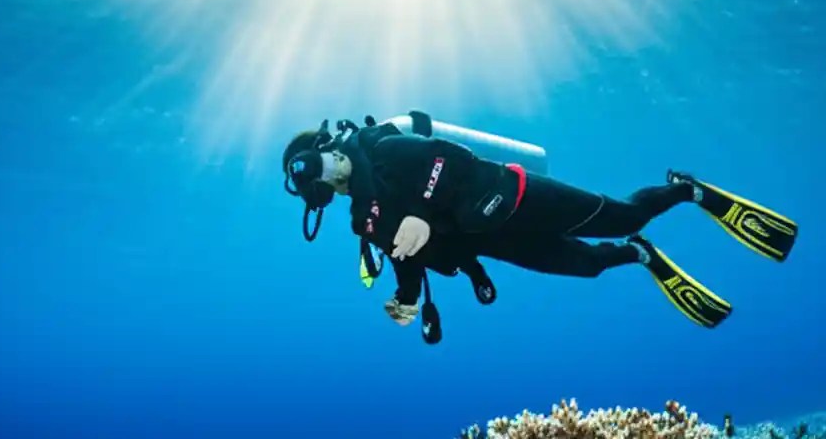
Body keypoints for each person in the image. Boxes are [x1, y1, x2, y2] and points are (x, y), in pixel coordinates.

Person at [281, 113, 798, 343]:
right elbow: (406, 257)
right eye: (313, 188)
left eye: (313, 170)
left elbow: (447, 157)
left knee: (624, 213)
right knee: (587, 266)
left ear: (323, 153)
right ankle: (639, 254)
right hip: (501, 241)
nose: (322, 185)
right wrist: (407, 298)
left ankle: (686, 190)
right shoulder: (363, 218)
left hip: (518, 194)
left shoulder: (384, 148)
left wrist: (418, 209)